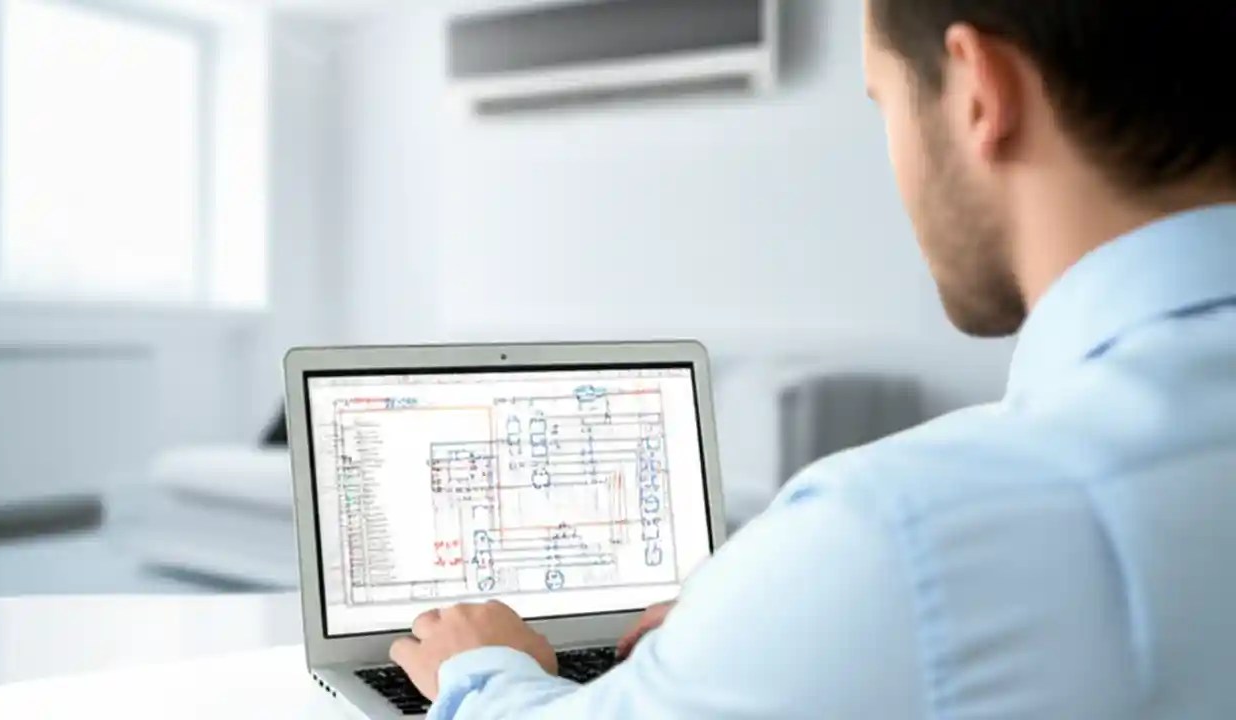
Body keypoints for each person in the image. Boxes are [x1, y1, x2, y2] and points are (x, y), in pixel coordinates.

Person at [391, 1, 1236, 716]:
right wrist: (760, 627)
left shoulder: (895, 534)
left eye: (883, 102)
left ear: (981, 91)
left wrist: (483, 669)